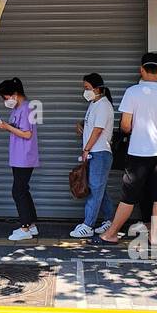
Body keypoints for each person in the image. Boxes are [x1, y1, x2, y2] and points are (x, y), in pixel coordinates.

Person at [100, 53, 157, 248]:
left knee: (129, 195)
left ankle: (111, 234)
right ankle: (154, 237)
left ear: (142, 70)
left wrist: (137, 126)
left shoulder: (132, 92)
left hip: (138, 151)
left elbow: (126, 126)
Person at [0, 78, 39, 241]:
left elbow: (27, 134)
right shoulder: (20, 108)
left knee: (18, 191)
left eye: (5, 97)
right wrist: (4, 126)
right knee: (23, 190)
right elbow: (19, 130)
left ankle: (25, 227)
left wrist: (6, 126)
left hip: (24, 157)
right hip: (20, 156)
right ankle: (32, 225)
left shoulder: (26, 108)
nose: (5, 101)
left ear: (15, 94)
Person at [70, 73, 115, 238]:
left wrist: (86, 149)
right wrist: (82, 127)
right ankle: (109, 219)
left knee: (95, 190)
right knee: (99, 188)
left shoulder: (103, 105)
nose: (85, 91)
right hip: (95, 153)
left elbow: (98, 130)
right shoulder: (94, 104)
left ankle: (88, 225)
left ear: (97, 89)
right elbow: (92, 127)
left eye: (87, 88)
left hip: (99, 153)